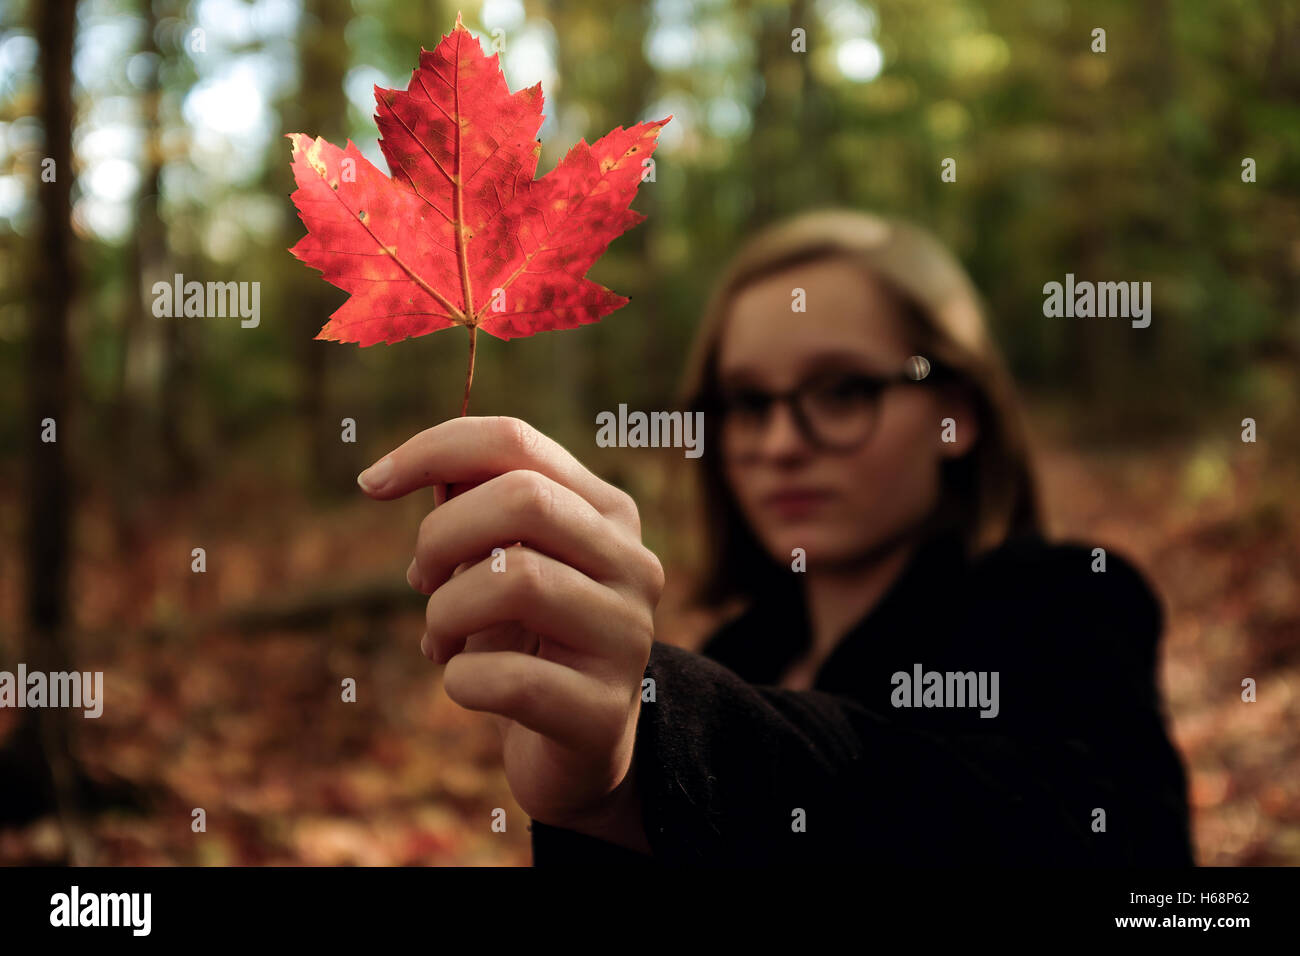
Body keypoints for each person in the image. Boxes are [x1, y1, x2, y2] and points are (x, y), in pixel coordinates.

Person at [355, 209, 1194, 865]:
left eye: (838, 391)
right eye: (748, 403)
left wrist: (664, 761)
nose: (781, 442)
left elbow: (1081, 845)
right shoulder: (734, 653)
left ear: (955, 415)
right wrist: (593, 812)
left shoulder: (1066, 605)